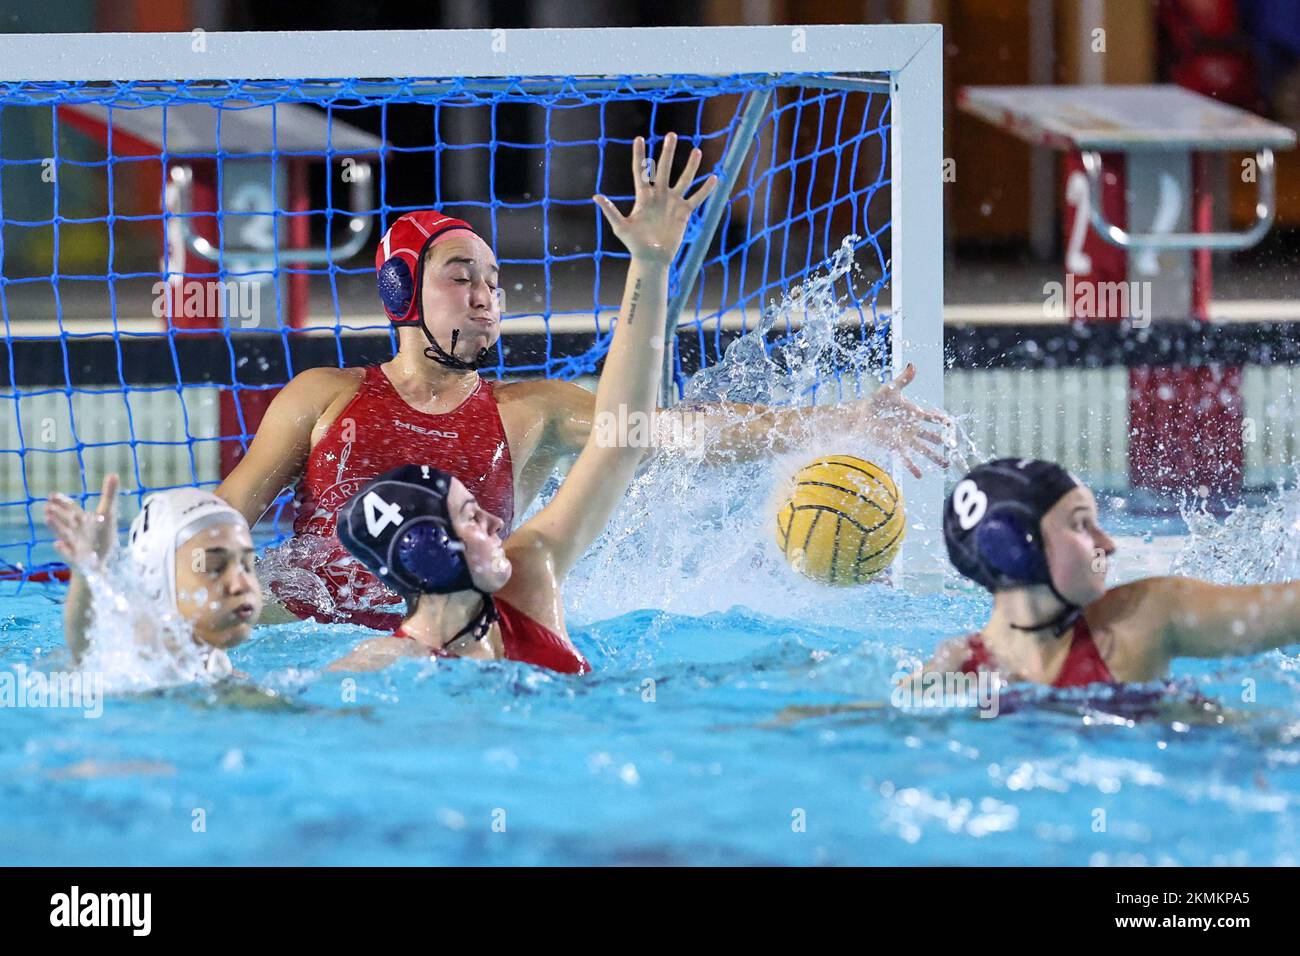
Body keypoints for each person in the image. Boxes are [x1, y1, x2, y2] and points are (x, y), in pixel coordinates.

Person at [216, 133, 947, 629]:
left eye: (495, 284)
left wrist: (838, 420)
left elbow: (670, 432)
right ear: (400, 286)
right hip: (306, 647)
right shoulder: (324, 397)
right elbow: (220, 522)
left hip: (469, 652)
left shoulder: (528, 413)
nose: (484, 296)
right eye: (460, 277)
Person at [328, 133, 716, 673]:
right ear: (428, 550)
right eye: (469, 515)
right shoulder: (376, 668)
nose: (494, 521)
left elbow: (621, 439)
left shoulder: (530, 572)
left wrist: (649, 266)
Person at [921, 457, 1300, 687]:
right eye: (1082, 524)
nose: (1110, 544)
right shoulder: (960, 665)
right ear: (1017, 548)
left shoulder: (1145, 616)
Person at [44, 473, 261, 677]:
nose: (241, 585)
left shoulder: (218, 666)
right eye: (214, 568)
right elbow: (87, 648)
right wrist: (89, 567)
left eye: (247, 565)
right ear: (159, 579)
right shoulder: (141, 655)